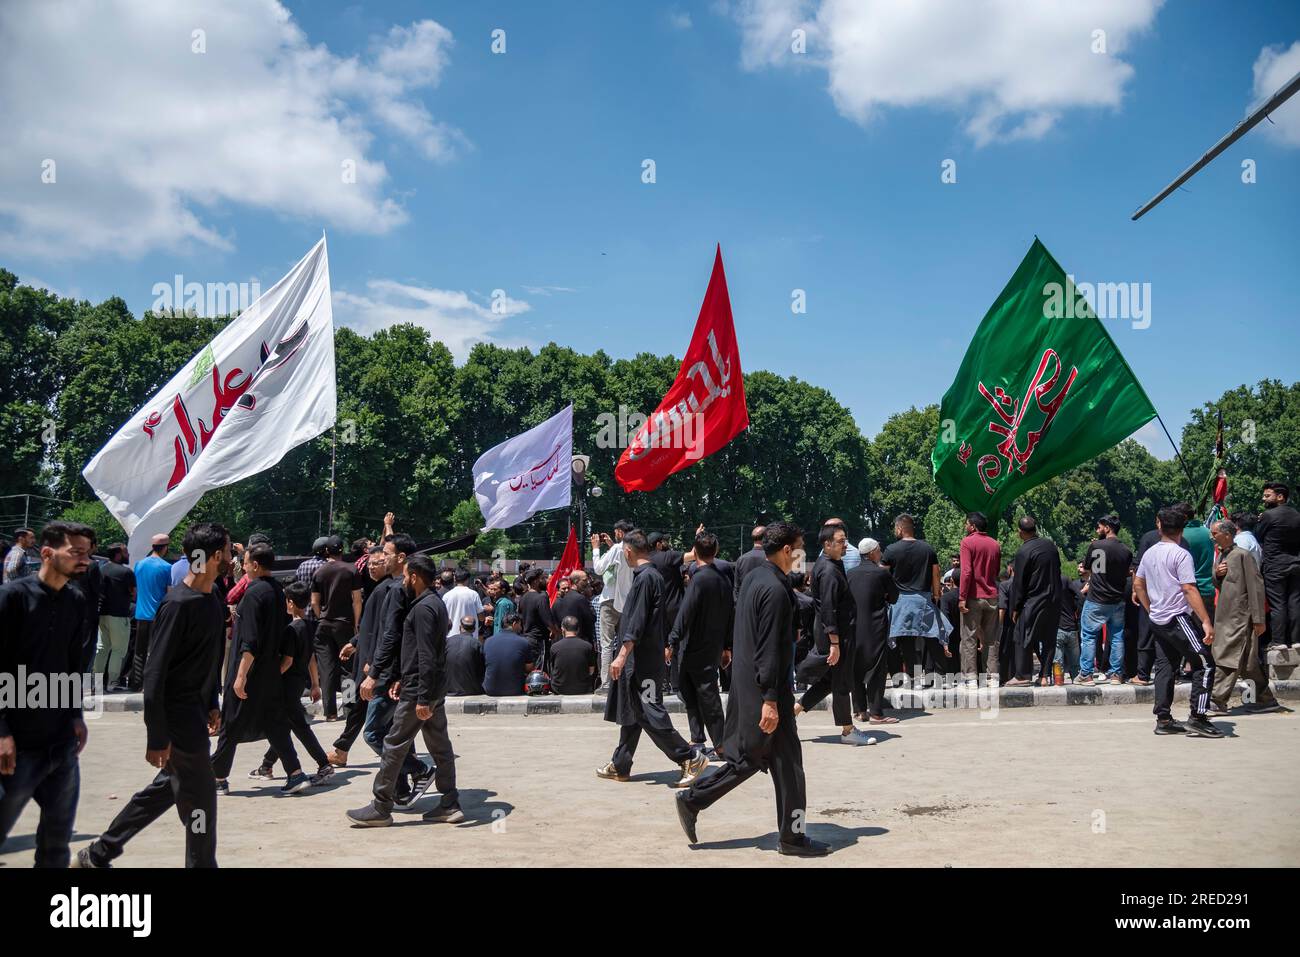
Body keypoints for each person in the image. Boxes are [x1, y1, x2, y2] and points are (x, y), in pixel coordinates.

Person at [74, 523, 229, 869]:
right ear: (216, 555)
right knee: (201, 802)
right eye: (230, 551)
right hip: (177, 721)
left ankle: (99, 853)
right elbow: (155, 675)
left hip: (194, 713)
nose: (233, 557)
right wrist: (157, 735)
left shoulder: (212, 598)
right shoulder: (177, 604)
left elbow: (207, 659)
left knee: (163, 791)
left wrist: (212, 702)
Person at [675, 521, 828, 857]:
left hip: (750, 689)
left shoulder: (757, 579)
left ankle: (696, 800)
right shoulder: (774, 589)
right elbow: (770, 649)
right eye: (800, 548)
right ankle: (792, 837)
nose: (803, 555)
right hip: (768, 692)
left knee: (757, 759)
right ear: (787, 550)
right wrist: (771, 699)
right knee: (782, 764)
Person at [0, 522, 93, 867]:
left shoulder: (76, 600)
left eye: (88, 553)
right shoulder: (12, 598)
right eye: (77, 552)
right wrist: (3, 731)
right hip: (17, 745)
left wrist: (76, 716)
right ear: (47, 553)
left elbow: (72, 664)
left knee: (56, 843)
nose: (84, 560)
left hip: (61, 745)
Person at [346, 555, 463, 826]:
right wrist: (405, 678)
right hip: (427, 687)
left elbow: (427, 656)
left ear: (416, 577)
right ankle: (449, 803)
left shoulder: (423, 608)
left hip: (419, 692)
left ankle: (381, 807)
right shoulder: (433, 603)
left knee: (393, 745)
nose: (404, 581)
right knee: (440, 747)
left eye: (408, 576)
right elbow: (422, 653)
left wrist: (422, 696)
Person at [597, 530, 709, 786]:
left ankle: (690, 756)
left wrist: (622, 655)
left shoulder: (646, 578)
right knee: (634, 711)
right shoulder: (651, 576)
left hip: (643, 662)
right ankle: (621, 764)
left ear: (627, 552)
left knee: (650, 712)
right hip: (645, 659)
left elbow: (636, 621)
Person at [211, 544, 314, 795]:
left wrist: (241, 675)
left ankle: (218, 779)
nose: (243, 567)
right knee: (275, 723)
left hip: (249, 670)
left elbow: (250, 640)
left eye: (245, 563)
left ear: (255, 565)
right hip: (269, 670)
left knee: (231, 724)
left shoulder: (253, 595)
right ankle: (295, 774)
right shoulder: (278, 592)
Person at [354, 533, 429, 803]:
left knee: (374, 732)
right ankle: (400, 789)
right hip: (391, 671)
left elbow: (393, 636)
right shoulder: (395, 587)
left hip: (388, 675)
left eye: (385, 554)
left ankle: (419, 769)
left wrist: (378, 673)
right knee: (391, 732)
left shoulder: (398, 589)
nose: (379, 558)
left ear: (400, 558)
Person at [1133, 506, 1220, 737]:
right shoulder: (1181, 554)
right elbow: (1189, 588)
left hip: (1158, 619)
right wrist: (1205, 621)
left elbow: (1138, 584)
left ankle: (1163, 718)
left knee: (1165, 667)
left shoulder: (1150, 552)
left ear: (1159, 525)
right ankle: (1198, 717)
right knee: (1205, 663)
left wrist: (1150, 608)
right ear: (1182, 528)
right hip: (1176, 617)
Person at [795, 524, 873, 743]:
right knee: (841, 682)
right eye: (840, 541)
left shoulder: (830, 563)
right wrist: (835, 643)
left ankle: (794, 710)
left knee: (829, 681)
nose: (845, 545)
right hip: (835, 635)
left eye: (845, 540)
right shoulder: (828, 570)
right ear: (827, 544)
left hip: (835, 633)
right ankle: (847, 730)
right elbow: (828, 608)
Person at [250, 582, 333, 783]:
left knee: (297, 727)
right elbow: (311, 657)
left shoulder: (290, 630)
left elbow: (287, 662)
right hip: (298, 683)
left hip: (287, 685)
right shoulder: (306, 626)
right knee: (283, 725)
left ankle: (324, 764)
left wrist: (269, 679)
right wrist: (315, 683)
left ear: (290, 602)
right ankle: (267, 765)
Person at [667, 530, 733, 756]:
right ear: (716, 551)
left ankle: (721, 743)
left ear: (694, 552)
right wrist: (726, 646)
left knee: (706, 694)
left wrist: (672, 641)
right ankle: (697, 738)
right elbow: (729, 615)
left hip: (694, 646)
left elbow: (685, 614)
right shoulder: (724, 579)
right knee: (693, 692)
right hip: (713, 645)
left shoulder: (699, 579)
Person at [1207, 520, 1280, 715]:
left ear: (1227, 534)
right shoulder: (1222, 555)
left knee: (1227, 656)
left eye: (1215, 533)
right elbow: (1217, 582)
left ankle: (1217, 699)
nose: (1212, 537)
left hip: (1241, 616)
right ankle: (1262, 699)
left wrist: (1258, 619)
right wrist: (1217, 573)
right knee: (1247, 662)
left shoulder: (1243, 555)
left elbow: (1256, 587)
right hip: (1225, 614)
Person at [880, 514, 949, 687]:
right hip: (924, 598)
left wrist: (884, 595)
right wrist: (937, 595)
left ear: (900, 528)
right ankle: (941, 677)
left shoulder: (891, 550)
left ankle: (910, 679)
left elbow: (882, 575)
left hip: (900, 601)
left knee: (904, 641)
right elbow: (936, 572)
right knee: (933, 638)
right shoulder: (927, 549)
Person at [311, 536, 363, 721]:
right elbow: (357, 600)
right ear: (342, 550)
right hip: (345, 624)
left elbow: (314, 602)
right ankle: (349, 708)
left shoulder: (319, 572)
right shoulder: (351, 570)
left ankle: (330, 712)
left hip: (324, 625)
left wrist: (321, 617)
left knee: (326, 668)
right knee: (348, 668)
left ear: (326, 552)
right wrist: (356, 624)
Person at [1077, 515, 1133, 685]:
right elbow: (1128, 572)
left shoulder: (1096, 546)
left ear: (1107, 527)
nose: (1097, 529)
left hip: (1096, 598)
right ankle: (1116, 674)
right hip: (1117, 599)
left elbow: (1086, 567)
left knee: (1088, 635)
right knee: (1117, 637)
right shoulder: (1126, 550)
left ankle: (1086, 674)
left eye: (1099, 526)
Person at [849, 537, 899, 724]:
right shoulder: (881, 574)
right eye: (879, 550)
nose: (881, 553)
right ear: (871, 553)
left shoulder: (850, 574)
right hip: (876, 626)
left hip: (854, 627)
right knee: (877, 669)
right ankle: (876, 713)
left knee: (856, 668)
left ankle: (860, 710)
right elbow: (894, 597)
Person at [1008, 517, 1062, 687]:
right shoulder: (1050, 546)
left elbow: (1019, 582)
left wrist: (1015, 606)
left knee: (1022, 634)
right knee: (1049, 638)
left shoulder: (1023, 551)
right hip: (1054, 598)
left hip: (1035, 599)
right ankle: (1044, 676)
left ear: (1020, 532)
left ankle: (1022, 675)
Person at [958, 512, 1002, 686]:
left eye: (966, 524)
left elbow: (966, 572)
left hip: (973, 596)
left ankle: (970, 678)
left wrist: (962, 597)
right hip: (992, 595)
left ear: (973, 526)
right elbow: (997, 570)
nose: (965, 526)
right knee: (991, 639)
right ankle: (992, 678)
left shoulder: (967, 542)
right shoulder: (995, 544)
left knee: (969, 638)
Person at [592, 520, 634, 691]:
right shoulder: (633, 548)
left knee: (607, 644)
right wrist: (610, 545)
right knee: (627, 642)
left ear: (620, 533)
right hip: (627, 601)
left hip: (609, 600)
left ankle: (607, 684)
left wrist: (596, 548)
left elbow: (599, 569)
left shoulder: (617, 549)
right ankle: (626, 680)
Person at [1257, 482, 1300, 650]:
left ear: (1280, 497)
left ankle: (1279, 641)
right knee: (1295, 602)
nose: (1264, 498)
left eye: (1267, 495)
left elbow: (1258, 535)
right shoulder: (1297, 515)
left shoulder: (1268, 516)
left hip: (1275, 565)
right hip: (1296, 563)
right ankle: (1296, 640)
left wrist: (1260, 521)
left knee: (1278, 604)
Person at [130, 533, 174, 692]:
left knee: (139, 650)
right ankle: (152, 684)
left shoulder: (139, 565)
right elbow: (169, 592)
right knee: (157, 651)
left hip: (141, 614)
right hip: (159, 615)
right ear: (165, 548)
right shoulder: (167, 567)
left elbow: (135, 589)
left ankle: (136, 683)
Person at [94, 543, 135, 690]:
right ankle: (112, 683)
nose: (128, 555)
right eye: (125, 552)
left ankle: (96, 683)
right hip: (119, 616)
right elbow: (134, 593)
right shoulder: (126, 572)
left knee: (102, 648)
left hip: (102, 615)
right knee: (119, 650)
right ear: (118, 554)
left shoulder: (102, 569)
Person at [1177, 502, 1218, 624]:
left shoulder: (1180, 536)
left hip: (1188, 590)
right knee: (1208, 631)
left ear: (1183, 517)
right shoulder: (1208, 532)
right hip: (1208, 587)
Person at [482, 613, 534, 696]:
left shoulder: (488, 641)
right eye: (520, 625)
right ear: (514, 624)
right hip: (515, 689)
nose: (521, 628)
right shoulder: (523, 642)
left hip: (491, 689)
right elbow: (529, 668)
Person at [517, 568, 558, 663]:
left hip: (526, 638)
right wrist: (555, 632)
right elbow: (547, 620)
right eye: (542, 578)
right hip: (538, 641)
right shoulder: (541, 597)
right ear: (535, 581)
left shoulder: (523, 597)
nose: (546, 581)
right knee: (539, 670)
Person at [550, 615, 597, 694]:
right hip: (583, 688)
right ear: (578, 629)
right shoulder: (588, 646)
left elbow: (554, 669)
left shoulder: (554, 647)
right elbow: (591, 671)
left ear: (562, 629)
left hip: (559, 689)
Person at [551, 569, 597, 645]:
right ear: (576, 581)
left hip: (566, 642)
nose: (587, 582)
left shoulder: (565, 598)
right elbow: (591, 619)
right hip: (581, 642)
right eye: (584, 580)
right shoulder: (580, 598)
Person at [445, 614, 487, 696]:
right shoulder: (477, 644)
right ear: (474, 629)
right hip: (472, 690)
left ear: (460, 627)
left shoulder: (447, 642)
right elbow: (482, 668)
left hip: (448, 690)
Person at [1056, 566, 1084, 680]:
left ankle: (1058, 685)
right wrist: (1075, 610)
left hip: (1056, 628)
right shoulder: (1066, 579)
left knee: (1057, 663)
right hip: (1072, 627)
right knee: (1075, 665)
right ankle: (1077, 687)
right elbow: (1081, 597)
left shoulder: (1045, 582)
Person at [441, 567, 484, 639]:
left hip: (450, 636)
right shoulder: (473, 594)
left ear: (454, 579)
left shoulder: (446, 596)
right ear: (467, 579)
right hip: (470, 638)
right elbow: (481, 617)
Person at [732, 525, 767, 602]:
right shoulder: (770, 558)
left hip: (745, 603)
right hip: (765, 603)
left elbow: (736, 587)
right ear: (766, 538)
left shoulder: (741, 559)